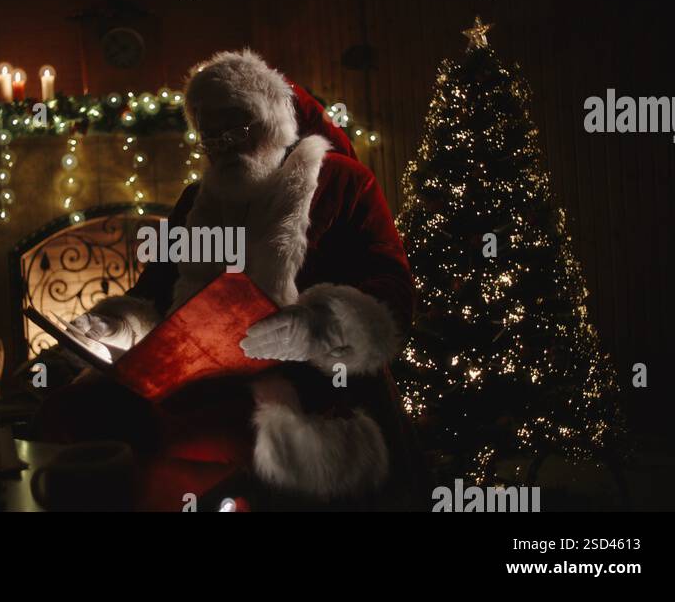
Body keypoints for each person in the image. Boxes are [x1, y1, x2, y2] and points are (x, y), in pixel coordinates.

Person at [35, 49, 423, 508]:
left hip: (317, 385)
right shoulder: (197, 199)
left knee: (199, 438)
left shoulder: (344, 183)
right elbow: (153, 293)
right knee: (75, 408)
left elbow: (393, 293)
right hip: (202, 378)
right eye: (210, 134)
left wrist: (314, 328)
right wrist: (112, 328)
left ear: (272, 122)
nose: (223, 144)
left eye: (236, 126)